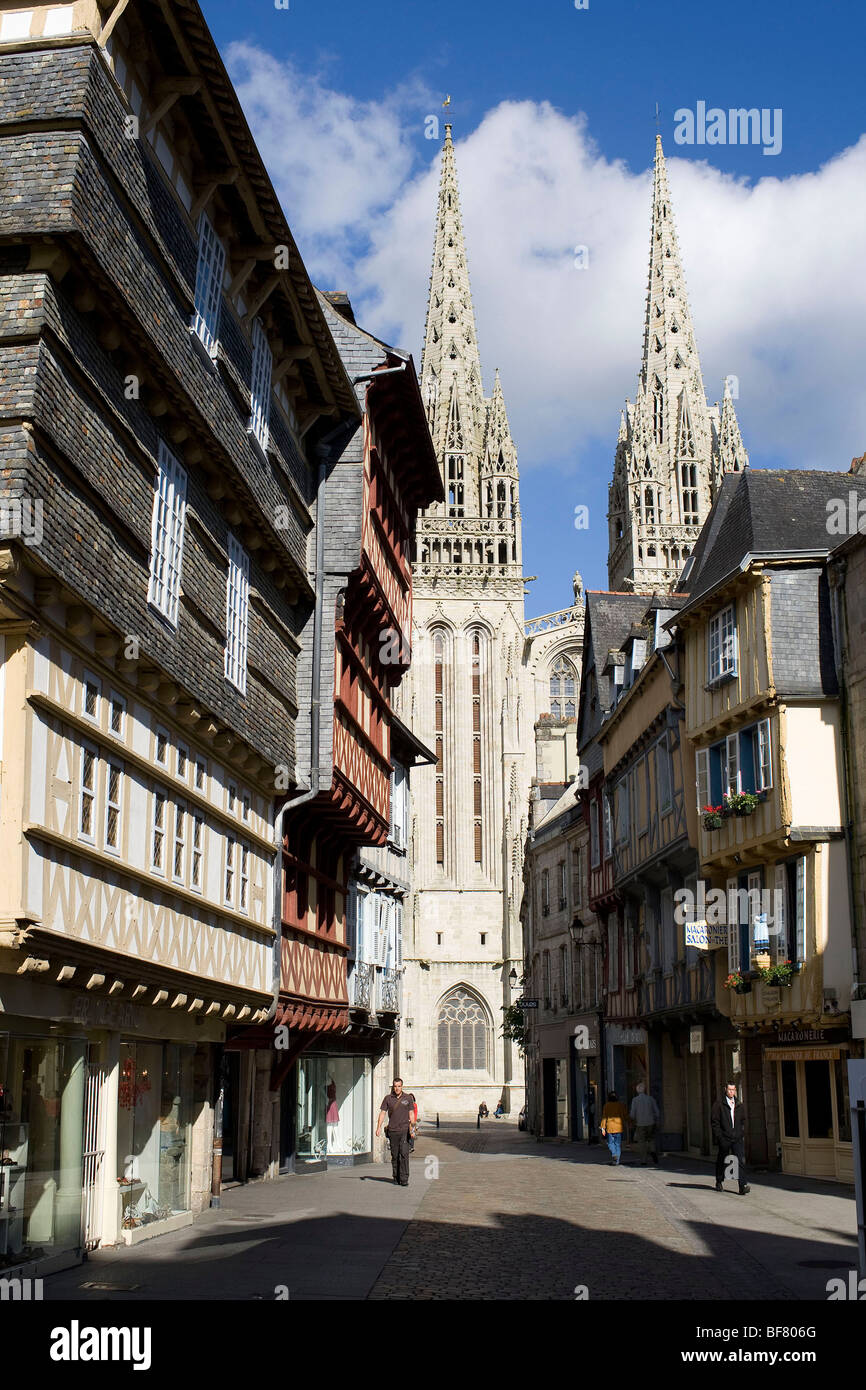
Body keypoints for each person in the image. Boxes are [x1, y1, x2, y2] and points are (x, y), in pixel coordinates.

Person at [375, 1078, 417, 1186]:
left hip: (404, 1130)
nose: (397, 1088)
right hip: (393, 1131)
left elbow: (411, 1114)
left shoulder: (408, 1098)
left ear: (402, 1086)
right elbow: (382, 1113)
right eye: (395, 1086)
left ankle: (404, 1179)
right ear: (393, 1087)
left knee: (404, 1154)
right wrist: (378, 1127)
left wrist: (413, 1130)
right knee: (395, 1155)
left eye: (399, 1086)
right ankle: (396, 1177)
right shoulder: (388, 1098)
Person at [711, 1082, 750, 1195]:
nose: (731, 1092)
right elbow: (714, 1122)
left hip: (737, 1138)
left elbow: (743, 1120)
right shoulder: (719, 1104)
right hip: (725, 1137)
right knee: (722, 1159)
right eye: (729, 1090)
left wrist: (741, 1133)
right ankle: (719, 1181)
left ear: (735, 1090)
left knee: (740, 1160)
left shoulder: (739, 1104)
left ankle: (742, 1186)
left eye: (733, 1090)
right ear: (725, 1090)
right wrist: (720, 1136)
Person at [629, 1082, 660, 1166]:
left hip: (640, 1123)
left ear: (637, 1091)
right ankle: (653, 1150)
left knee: (642, 1141)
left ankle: (644, 1160)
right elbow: (657, 1112)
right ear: (645, 1090)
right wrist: (656, 1119)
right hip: (650, 1122)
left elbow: (632, 1113)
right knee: (651, 1138)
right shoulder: (651, 1099)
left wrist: (632, 1120)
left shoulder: (635, 1100)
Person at [600, 1090, 629, 1165]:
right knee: (617, 1144)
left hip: (610, 1127)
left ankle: (614, 1154)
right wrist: (630, 1122)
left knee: (610, 1143)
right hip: (619, 1127)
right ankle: (617, 1161)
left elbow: (604, 1117)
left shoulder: (606, 1106)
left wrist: (603, 1127)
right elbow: (625, 1115)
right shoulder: (620, 1105)